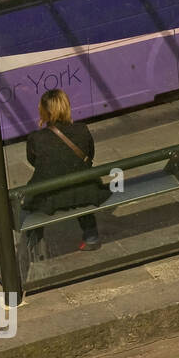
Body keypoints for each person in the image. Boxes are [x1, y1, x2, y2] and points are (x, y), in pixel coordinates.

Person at [23, 89, 110, 254]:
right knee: (80, 184)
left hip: (50, 197)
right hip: (86, 192)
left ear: (43, 111)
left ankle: (33, 241)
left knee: (33, 194)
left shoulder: (36, 138)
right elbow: (89, 155)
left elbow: (34, 162)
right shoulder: (82, 130)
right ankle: (91, 236)